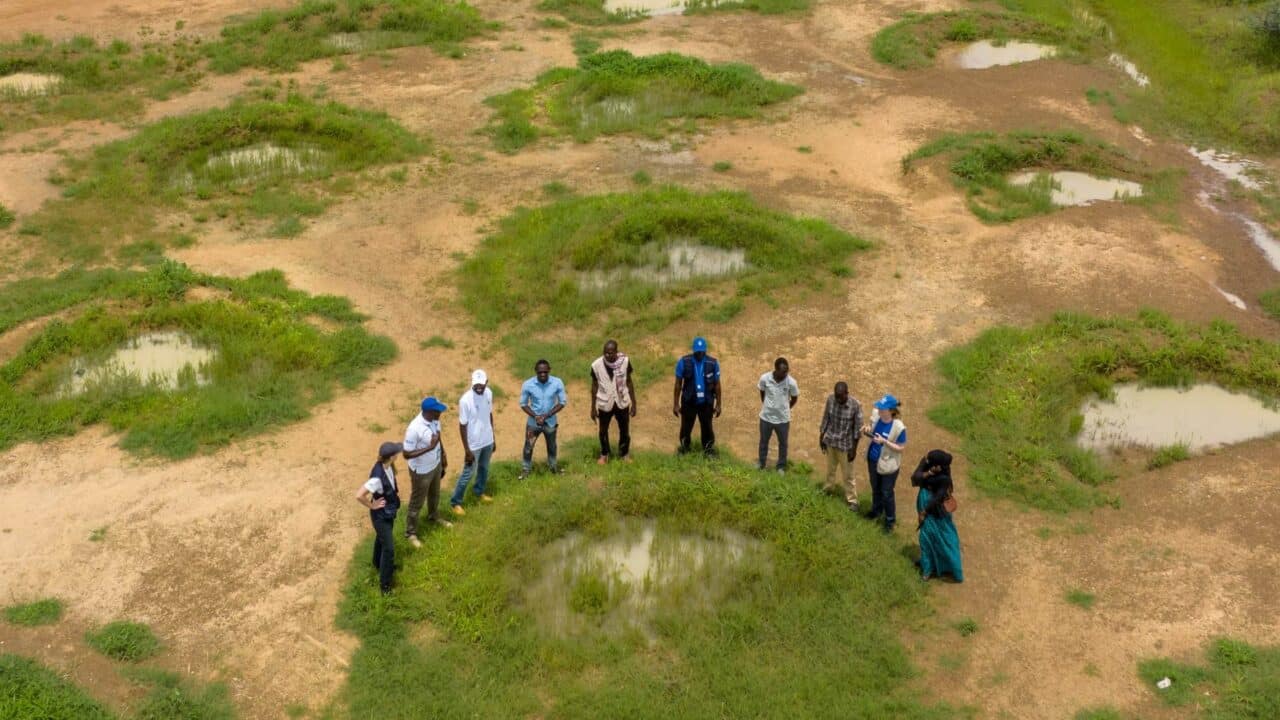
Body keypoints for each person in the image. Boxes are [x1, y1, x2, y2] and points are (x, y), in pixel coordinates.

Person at [401, 396, 451, 548]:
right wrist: (429, 447)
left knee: (435, 493)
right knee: (417, 502)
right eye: (438, 411)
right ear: (430, 412)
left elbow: (438, 437)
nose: (440, 413)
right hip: (421, 471)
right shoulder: (414, 429)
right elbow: (406, 454)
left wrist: (442, 454)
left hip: (435, 465)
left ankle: (433, 515)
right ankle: (411, 533)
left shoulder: (434, 420)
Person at [355, 441, 403, 595]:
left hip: (387, 513)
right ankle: (385, 587)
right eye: (396, 452)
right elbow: (359, 495)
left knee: (381, 539)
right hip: (381, 516)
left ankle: (377, 564)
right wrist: (372, 505)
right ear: (392, 457)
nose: (398, 454)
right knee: (389, 549)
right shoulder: (377, 477)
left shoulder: (386, 466)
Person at [912, 450, 963, 582]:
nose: (927, 461)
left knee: (927, 539)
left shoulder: (944, 479)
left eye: (930, 461)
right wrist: (927, 470)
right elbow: (915, 478)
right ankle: (927, 562)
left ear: (939, 466)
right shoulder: (929, 466)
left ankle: (928, 570)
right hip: (925, 504)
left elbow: (937, 498)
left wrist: (924, 512)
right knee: (930, 538)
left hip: (933, 511)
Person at [450, 369, 495, 516]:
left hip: (487, 440)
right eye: (477, 385)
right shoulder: (465, 400)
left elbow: (489, 414)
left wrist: (493, 438)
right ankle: (455, 502)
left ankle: (479, 492)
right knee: (468, 473)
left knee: (484, 468)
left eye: (482, 384)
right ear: (472, 383)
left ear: (486, 382)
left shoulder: (489, 393)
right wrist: (467, 450)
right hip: (473, 445)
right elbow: (462, 426)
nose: (479, 387)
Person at [861, 394, 906, 533]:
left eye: (882, 408)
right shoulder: (876, 415)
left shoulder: (899, 427)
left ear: (891, 411)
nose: (879, 410)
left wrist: (884, 442)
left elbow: (901, 448)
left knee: (887, 493)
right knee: (875, 488)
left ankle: (890, 520)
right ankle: (876, 511)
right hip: (873, 460)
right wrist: (867, 428)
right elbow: (870, 425)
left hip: (889, 466)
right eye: (879, 407)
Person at [819, 382, 864, 511]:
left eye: (841, 397)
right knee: (830, 469)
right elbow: (825, 418)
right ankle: (828, 489)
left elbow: (858, 429)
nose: (838, 400)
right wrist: (821, 437)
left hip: (846, 446)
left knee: (848, 475)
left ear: (847, 393)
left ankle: (853, 501)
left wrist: (854, 449)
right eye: (836, 396)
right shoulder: (830, 400)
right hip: (831, 442)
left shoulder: (855, 405)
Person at [590, 340, 636, 465]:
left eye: (611, 353)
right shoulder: (596, 365)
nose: (608, 355)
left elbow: (629, 382)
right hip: (605, 403)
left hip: (622, 401)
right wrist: (592, 407)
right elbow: (594, 386)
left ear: (616, 352)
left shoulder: (624, 361)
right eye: (605, 353)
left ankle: (624, 454)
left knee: (624, 429)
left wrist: (634, 403)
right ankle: (605, 454)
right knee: (603, 430)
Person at [673, 336, 721, 455]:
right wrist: (675, 404)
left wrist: (719, 404)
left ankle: (708, 450)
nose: (699, 353)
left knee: (707, 427)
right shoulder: (684, 362)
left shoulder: (713, 363)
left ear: (705, 350)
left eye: (702, 351)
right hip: (689, 402)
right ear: (693, 350)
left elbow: (717, 385)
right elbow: (678, 384)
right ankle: (684, 449)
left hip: (706, 402)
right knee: (685, 428)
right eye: (697, 351)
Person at [519, 359, 567, 479]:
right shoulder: (528, 384)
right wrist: (535, 416)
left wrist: (547, 415)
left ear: (549, 370)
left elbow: (562, 402)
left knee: (552, 446)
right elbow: (523, 404)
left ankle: (553, 467)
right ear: (536, 371)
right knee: (528, 447)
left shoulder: (557, 383)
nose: (543, 374)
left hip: (550, 422)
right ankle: (526, 470)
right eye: (540, 372)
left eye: (545, 372)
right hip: (533, 423)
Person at [757, 357, 799, 472]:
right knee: (763, 442)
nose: (785, 373)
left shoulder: (791, 382)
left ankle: (781, 466)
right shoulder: (765, 378)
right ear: (776, 369)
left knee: (783, 444)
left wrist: (785, 408)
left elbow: (794, 398)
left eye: (787, 371)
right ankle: (761, 463)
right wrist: (766, 404)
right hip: (766, 417)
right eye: (783, 371)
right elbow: (762, 391)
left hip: (783, 420)